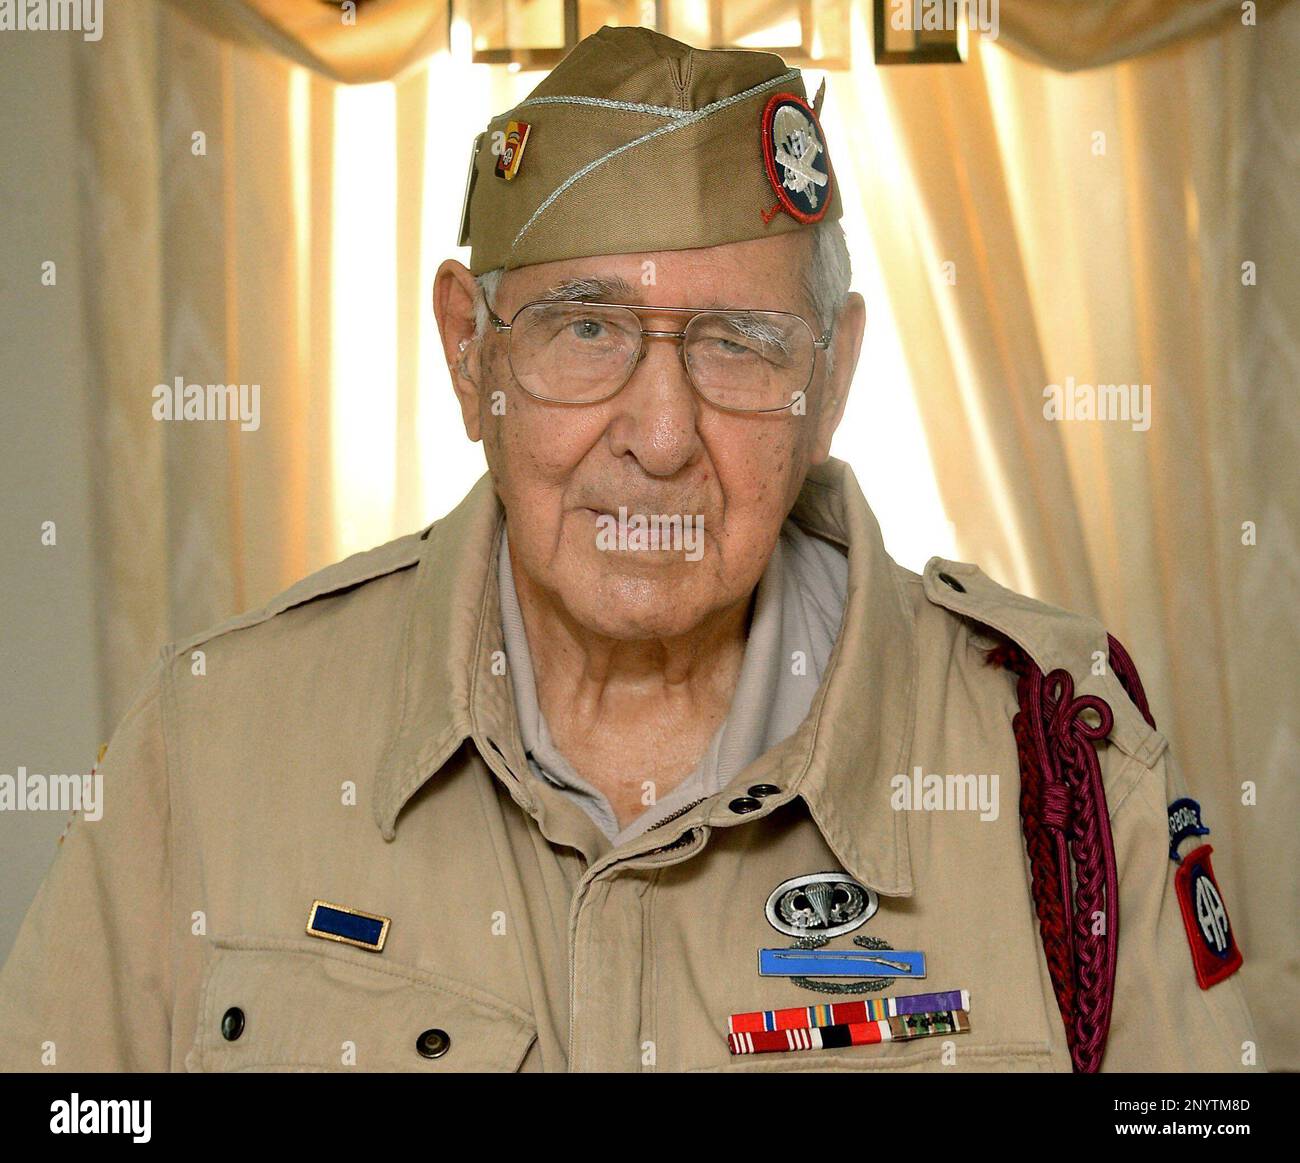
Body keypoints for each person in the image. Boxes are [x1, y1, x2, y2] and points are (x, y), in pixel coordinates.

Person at [0, 25, 1259, 1072]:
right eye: (584, 327)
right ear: (468, 352)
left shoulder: (1062, 763)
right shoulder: (215, 739)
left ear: (829, 383)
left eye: (740, 343)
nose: (661, 437)